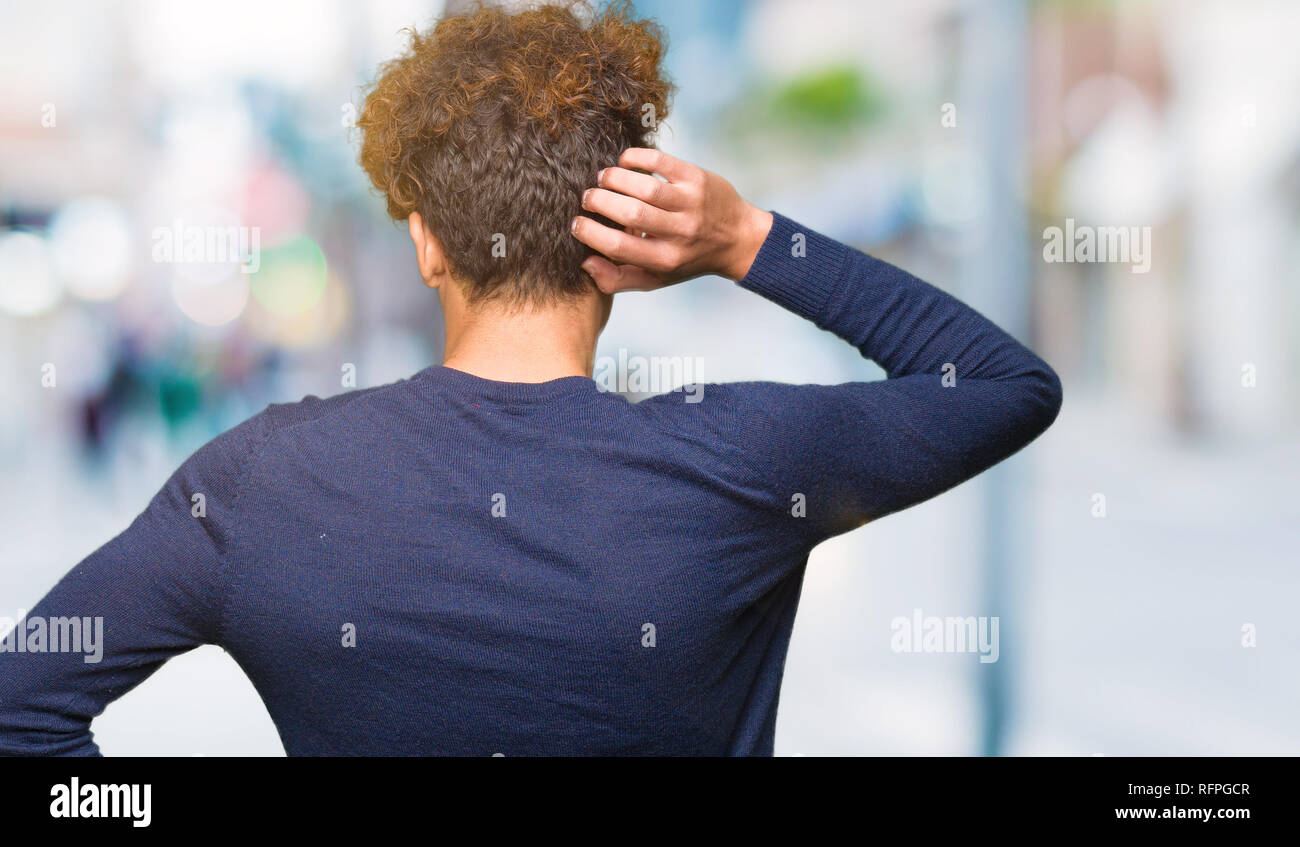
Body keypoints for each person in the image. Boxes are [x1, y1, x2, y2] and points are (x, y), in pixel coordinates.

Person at [0, 0, 1060, 756]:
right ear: (633, 238)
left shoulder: (252, 485)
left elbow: (21, 704)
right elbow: (1003, 384)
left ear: (426, 243)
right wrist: (745, 237)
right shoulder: (741, 462)